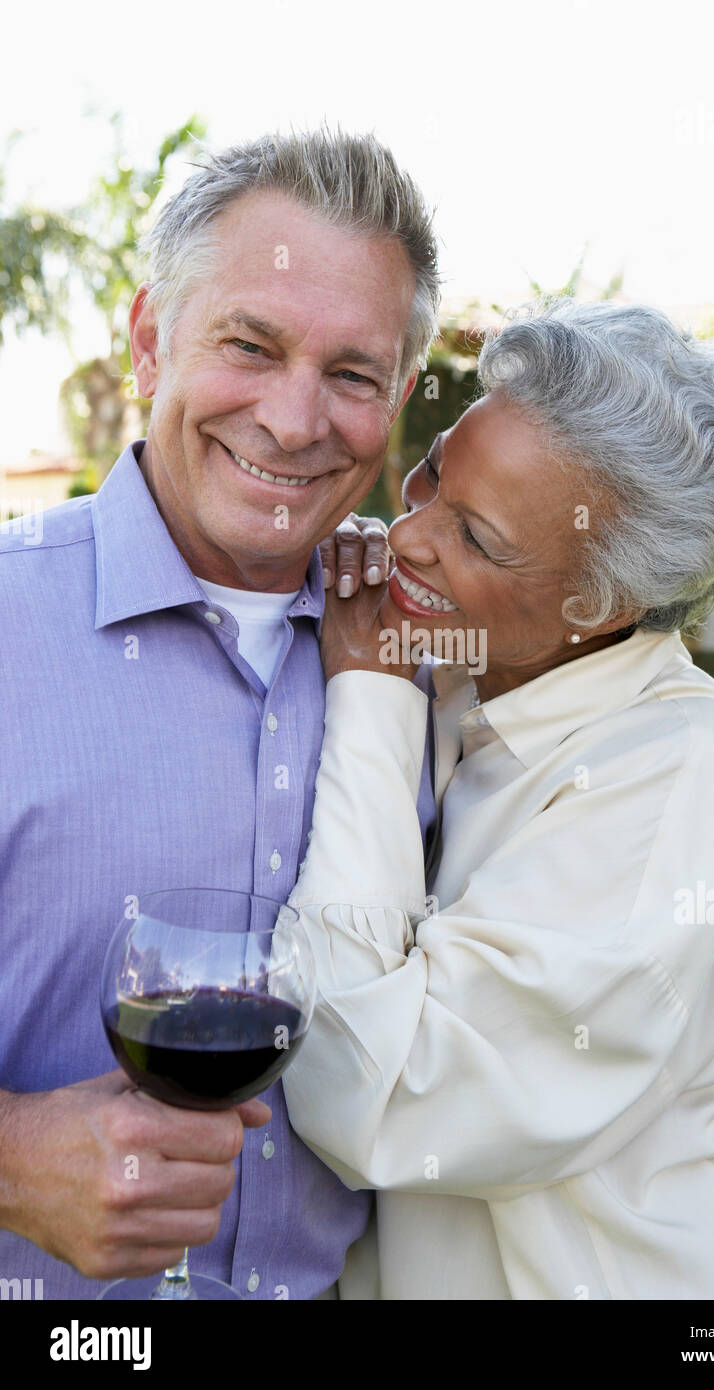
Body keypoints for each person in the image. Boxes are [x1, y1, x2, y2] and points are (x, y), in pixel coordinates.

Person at [279, 298, 714, 1300]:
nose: (413, 532)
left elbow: (368, 1093)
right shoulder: (468, 676)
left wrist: (371, 698)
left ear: (599, 603)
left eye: (475, 536)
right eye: (434, 467)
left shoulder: (671, 772)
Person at [0, 128, 441, 1299]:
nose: (296, 423)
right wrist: (7, 1162)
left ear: (397, 394)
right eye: (249, 345)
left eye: (353, 374)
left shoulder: (433, 669)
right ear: (150, 337)